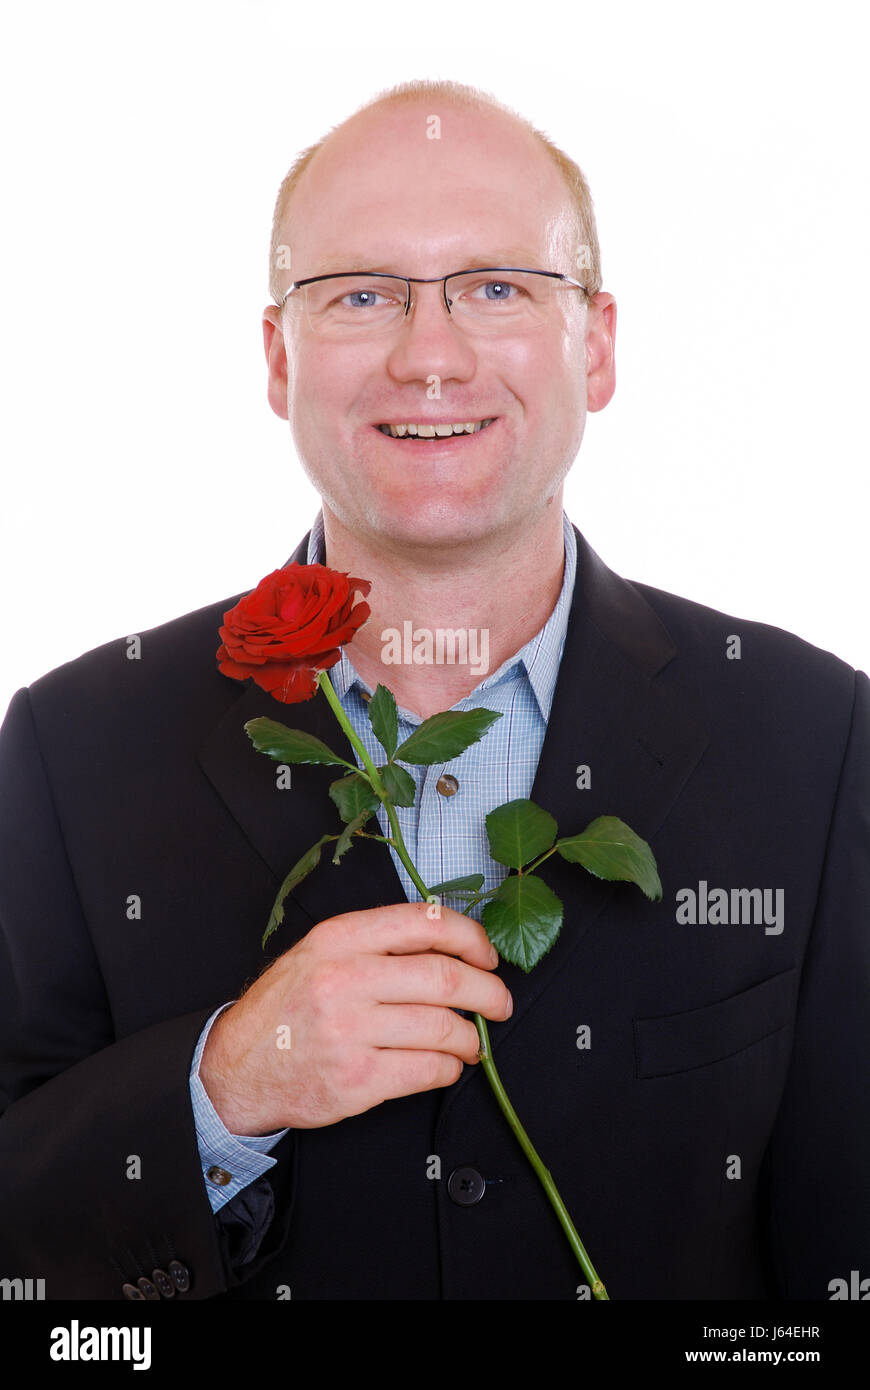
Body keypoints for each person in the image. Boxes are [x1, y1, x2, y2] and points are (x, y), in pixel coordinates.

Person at [0, 78, 867, 1302]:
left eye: (498, 287)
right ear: (277, 356)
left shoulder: (812, 737)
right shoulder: (69, 746)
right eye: (362, 295)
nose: (430, 356)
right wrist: (220, 1089)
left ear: (599, 346)